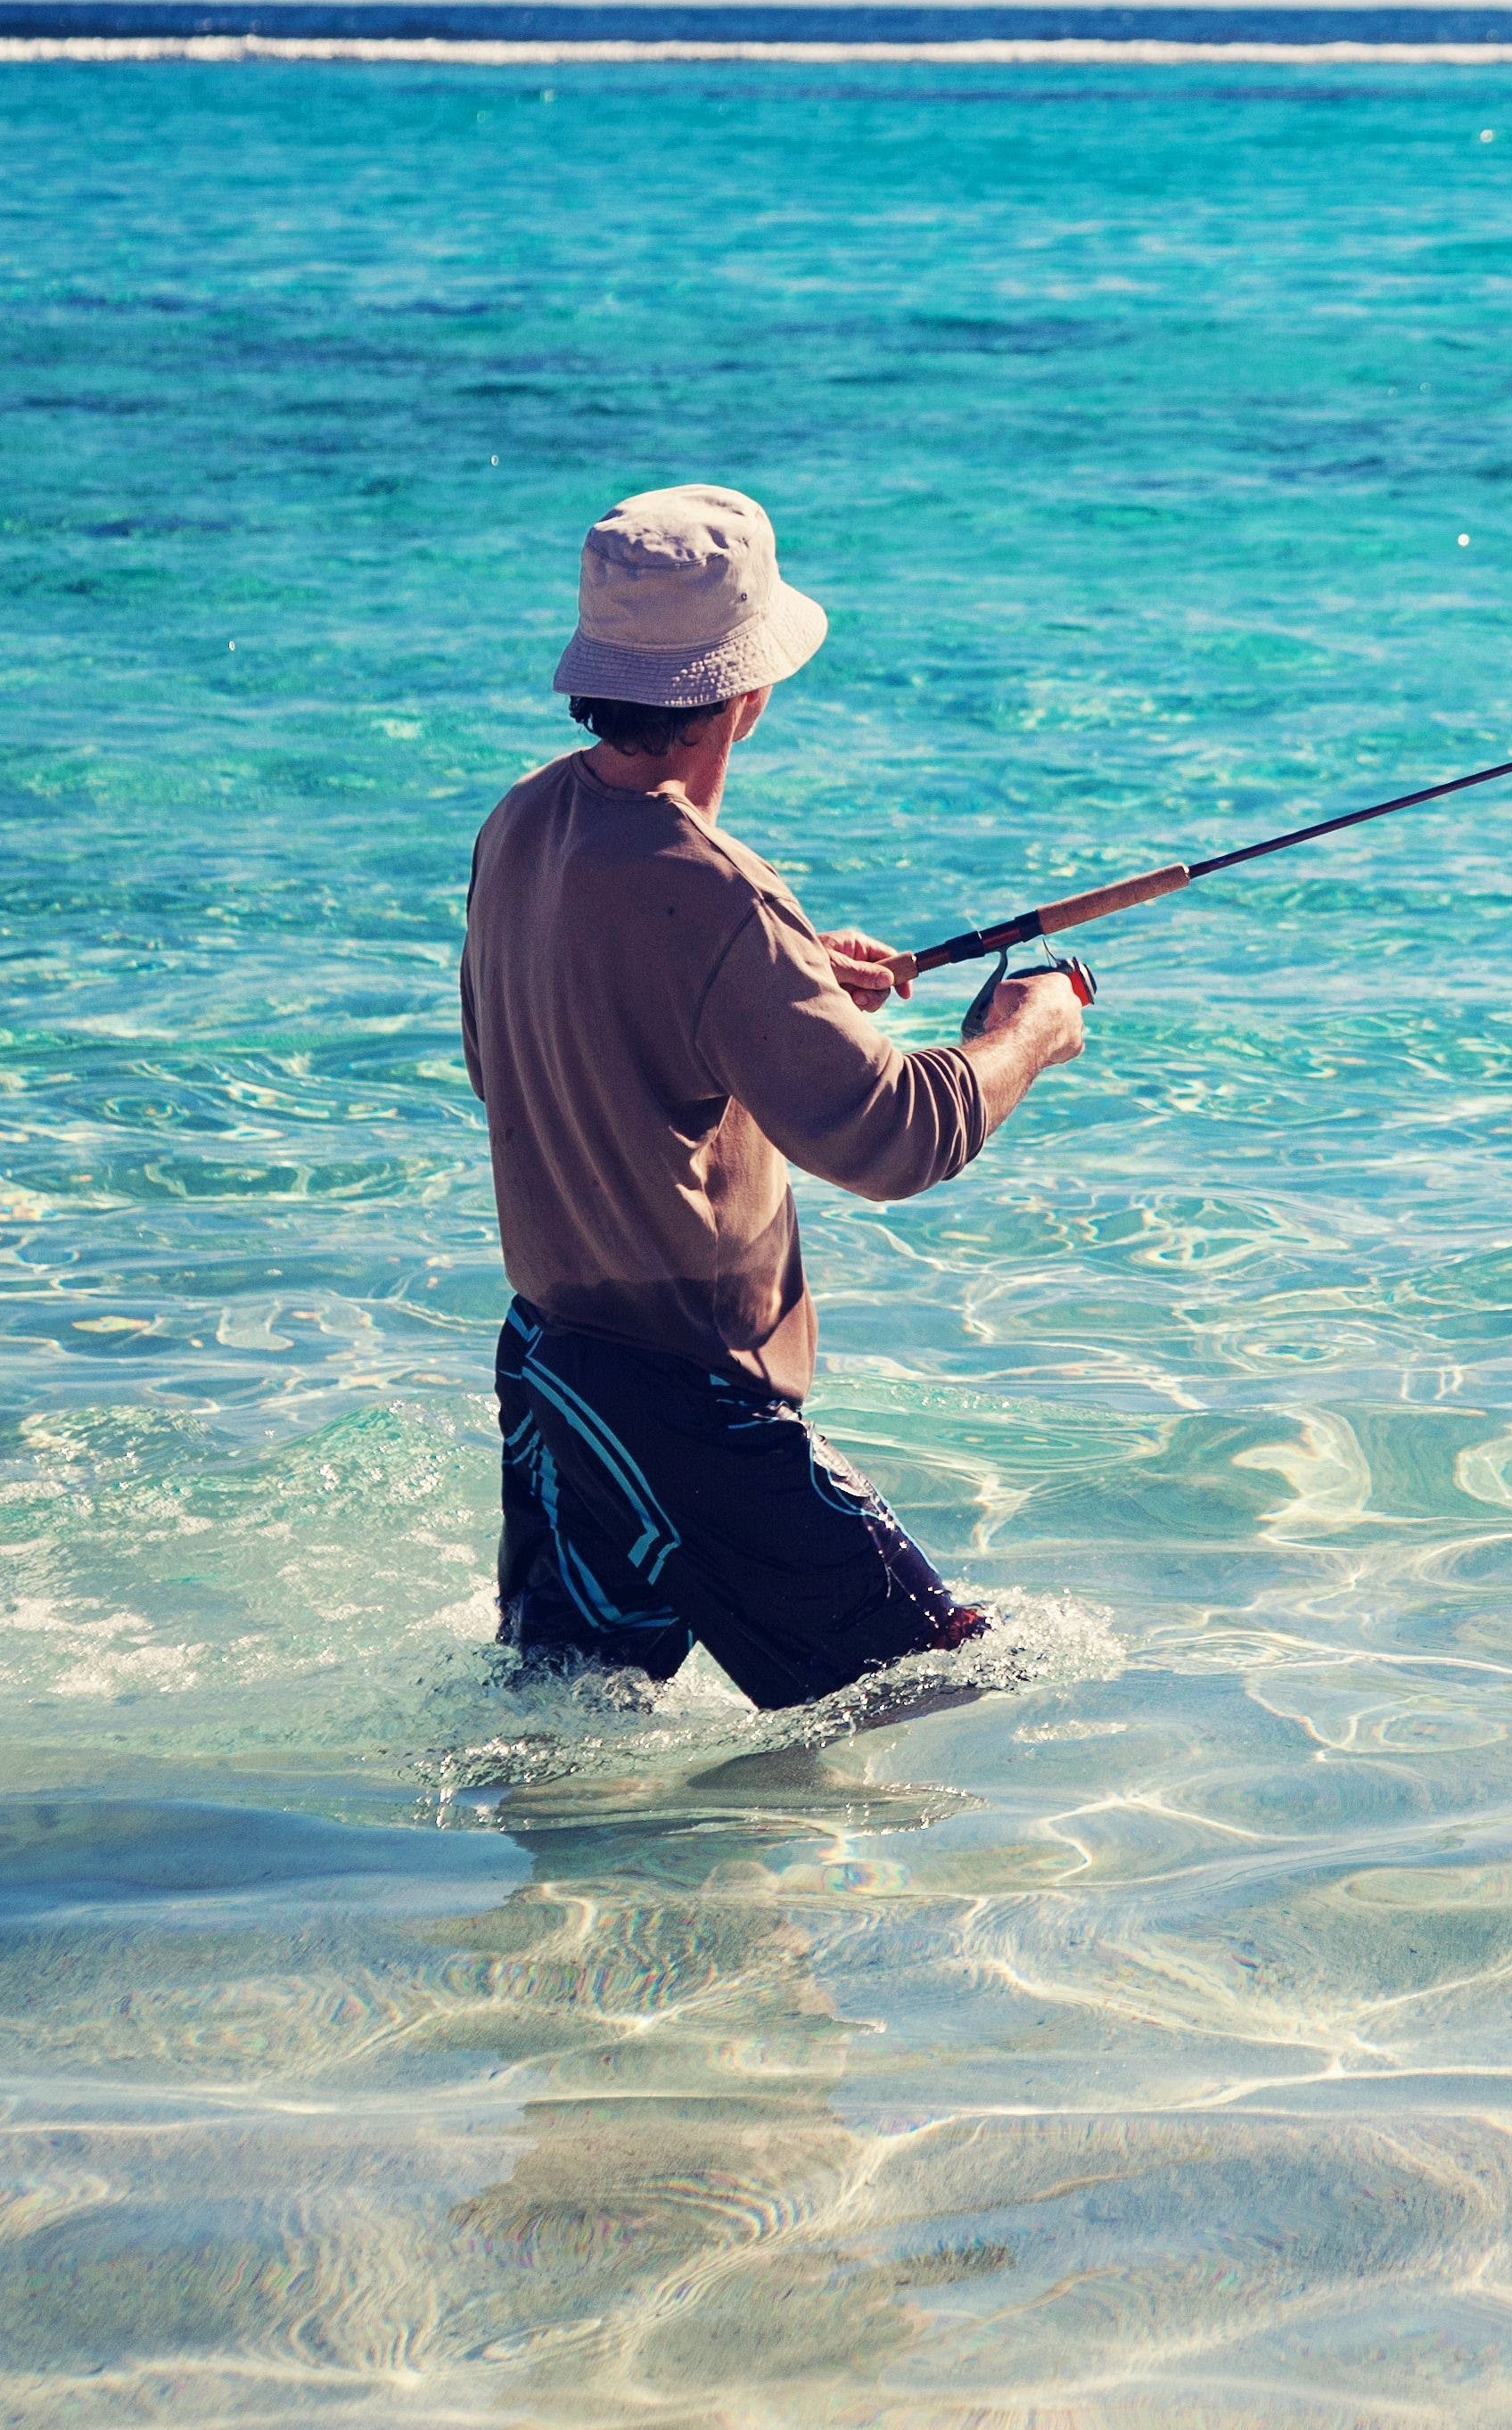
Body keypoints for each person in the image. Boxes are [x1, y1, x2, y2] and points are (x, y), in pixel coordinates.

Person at [457, 483, 1091, 1706]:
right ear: (746, 692)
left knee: (566, 1752)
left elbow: (515, 1060)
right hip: (685, 1407)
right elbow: (901, 1135)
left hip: (550, 1373)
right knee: (959, 1684)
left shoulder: (522, 821)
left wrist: (783, 991)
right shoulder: (718, 896)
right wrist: (1029, 1033)